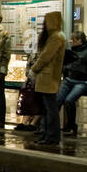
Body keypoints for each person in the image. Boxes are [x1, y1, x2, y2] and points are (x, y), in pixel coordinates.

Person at [29, 11, 66, 146]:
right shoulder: (53, 36)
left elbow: (46, 56)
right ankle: (47, 134)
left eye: (46, 20)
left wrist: (34, 69)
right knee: (46, 108)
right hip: (45, 77)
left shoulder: (56, 37)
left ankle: (52, 136)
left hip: (48, 77)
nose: (44, 23)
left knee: (50, 109)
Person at [57, 30, 87, 135]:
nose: (70, 41)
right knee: (57, 100)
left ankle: (72, 125)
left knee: (69, 100)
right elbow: (66, 66)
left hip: (82, 82)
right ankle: (53, 126)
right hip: (68, 80)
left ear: (79, 40)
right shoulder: (72, 51)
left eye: (73, 40)